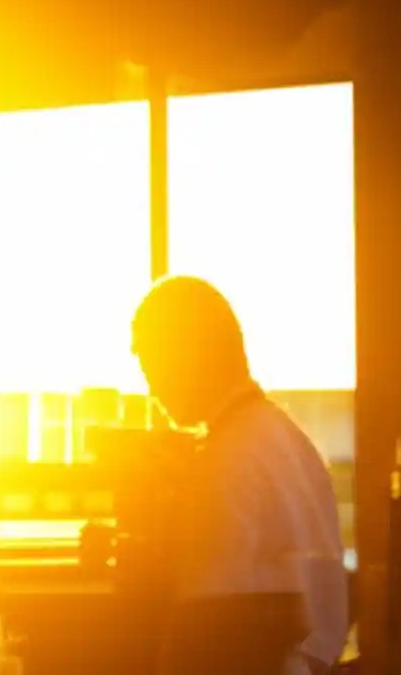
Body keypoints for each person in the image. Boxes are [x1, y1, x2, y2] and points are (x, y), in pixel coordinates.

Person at [130, 275, 347, 675]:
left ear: (187, 356)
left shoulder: (226, 461)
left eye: (151, 366)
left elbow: (206, 631)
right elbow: (331, 606)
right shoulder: (291, 440)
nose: (152, 388)